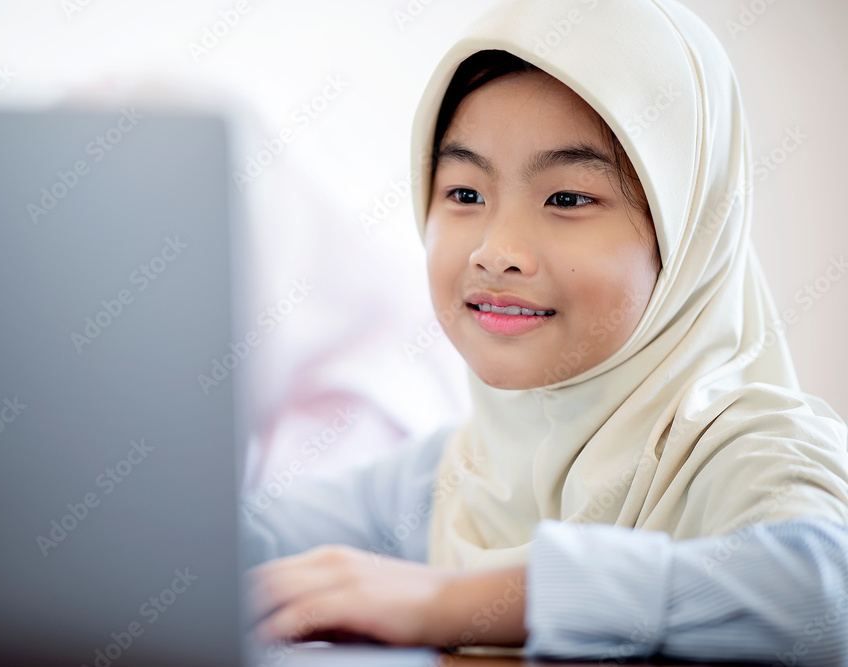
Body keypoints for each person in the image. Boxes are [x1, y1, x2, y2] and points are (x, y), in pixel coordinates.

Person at [242, 0, 848, 663]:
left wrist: (449, 602)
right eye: (465, 194)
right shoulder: (457, 471)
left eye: (567, 198)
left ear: (685, 240)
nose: (496, 251)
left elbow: (824, 596)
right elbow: (235, 541)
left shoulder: (749, 448)